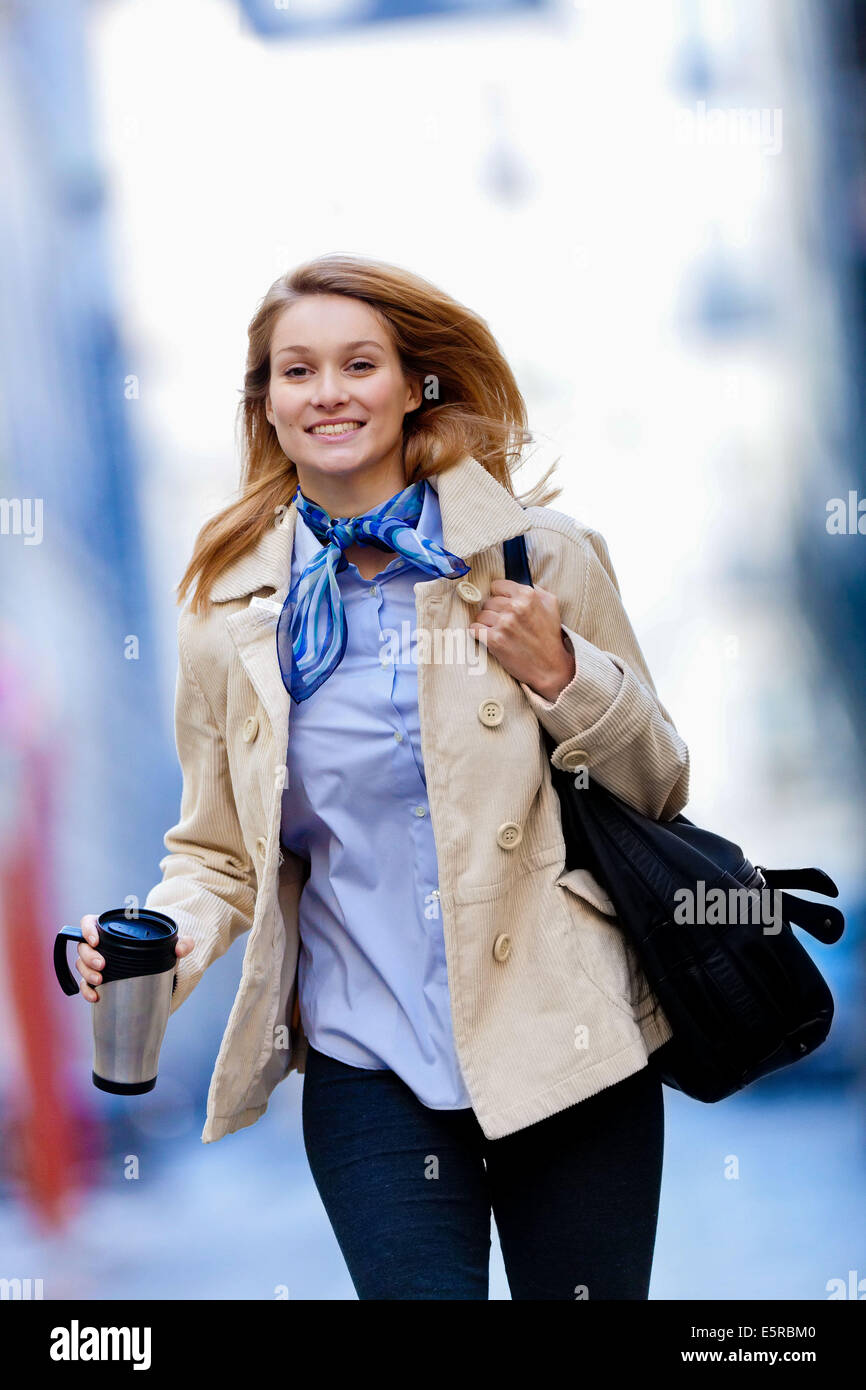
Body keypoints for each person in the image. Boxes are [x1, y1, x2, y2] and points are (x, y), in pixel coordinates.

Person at [75, 254, 690, 1300]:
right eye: (296, 370)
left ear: (414, 385)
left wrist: (564, 672)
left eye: (359, 363)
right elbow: (217, 851)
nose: (328, 392)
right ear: (265, 405)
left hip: (564, 1038)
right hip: (370, 1059)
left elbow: (657, 781)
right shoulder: (232, 616)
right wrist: (164, 938)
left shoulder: (536, 559)